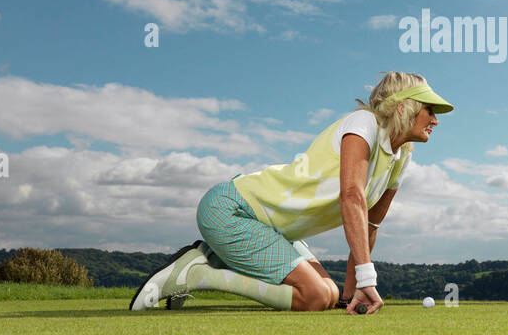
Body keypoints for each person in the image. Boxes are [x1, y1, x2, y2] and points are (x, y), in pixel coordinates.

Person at [130, 72, 453, 314]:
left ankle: (213, 253)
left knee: (328, 295)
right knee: (313, 297)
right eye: (429, 110)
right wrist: (369, 280)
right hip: (233, 209)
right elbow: (351, 197)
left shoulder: (402, 154)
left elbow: (370, 224)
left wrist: (351, 294)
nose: (436, 120)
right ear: (401, 109)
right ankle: (197, 274)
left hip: (275, 230)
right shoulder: (363, 123)